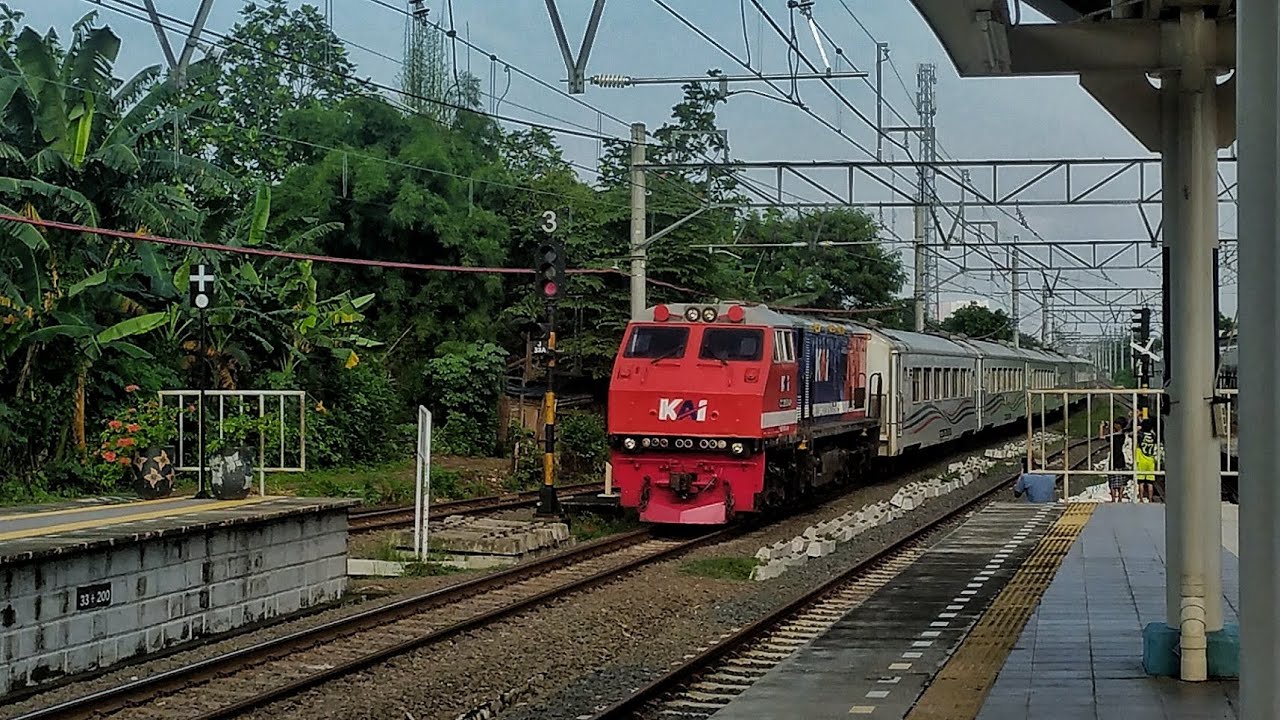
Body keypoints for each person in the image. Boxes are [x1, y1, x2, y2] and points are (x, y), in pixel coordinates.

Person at [1134, 417, 1162, 503]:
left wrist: (1137, 429)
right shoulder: (1153, 436)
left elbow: (1132, 436)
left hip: (1141, 459)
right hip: (1150, 460)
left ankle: (1141, 498)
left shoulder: (1140, 435)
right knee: (1150, 482)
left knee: (1141, 482)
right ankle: (1150, 499)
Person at [1107, 416, 1133, 502]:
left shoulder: (1114, 436)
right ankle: (1120, 498)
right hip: (1120, 458)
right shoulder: (1122, 435)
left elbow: (1102, 437)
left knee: (1112, 480)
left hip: (1113, 459)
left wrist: (1102, 427)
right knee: (1121, 479)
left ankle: (1113, 498)